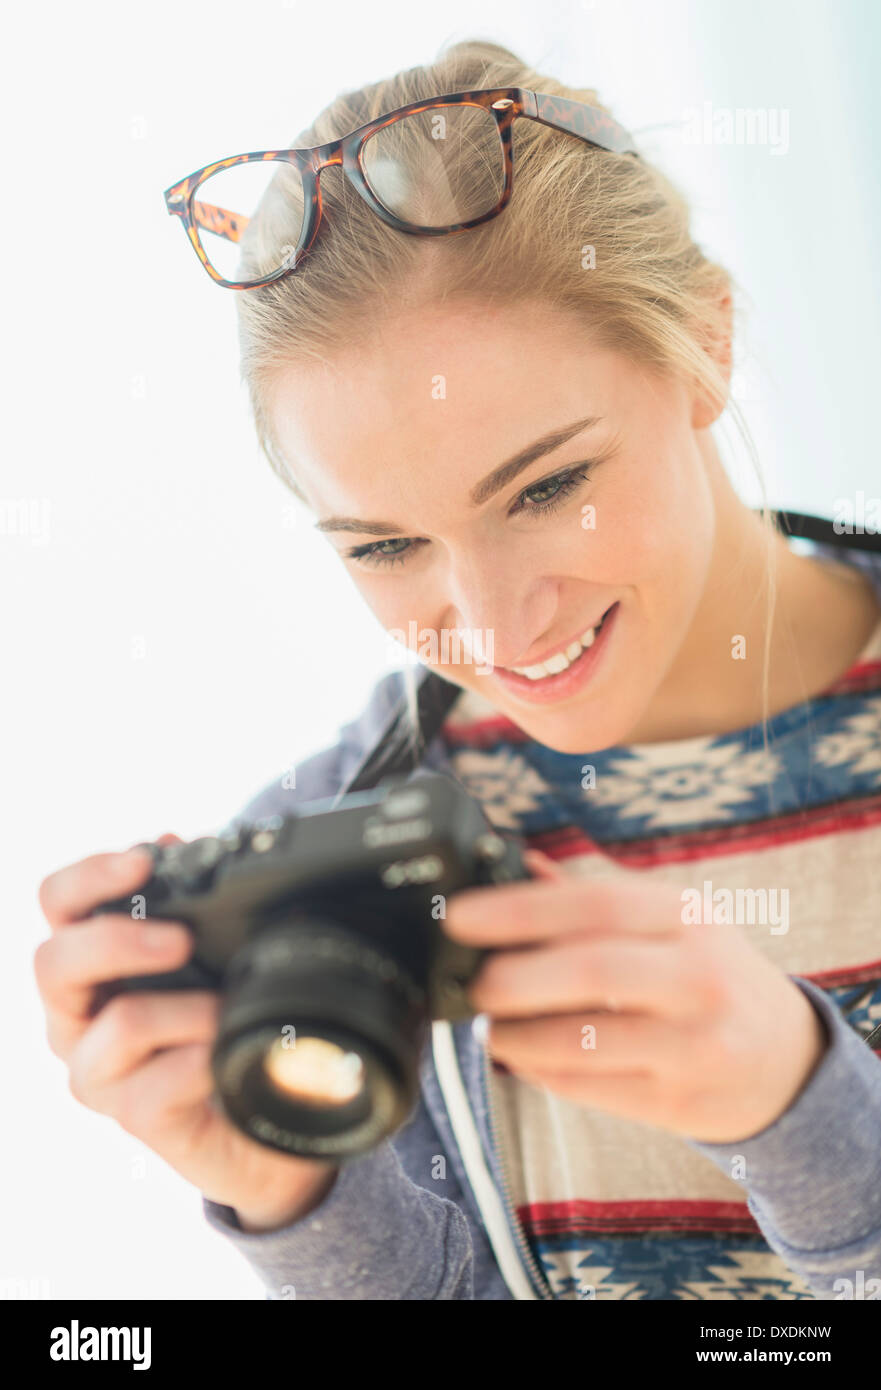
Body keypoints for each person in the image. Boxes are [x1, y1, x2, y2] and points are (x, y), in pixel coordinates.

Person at [35, 39, 881, 1301]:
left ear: (704, 344)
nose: (489, 625)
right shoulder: (333, 855)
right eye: (383, 543)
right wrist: (299, 1202)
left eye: (546, 486)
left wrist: (801, 1110)